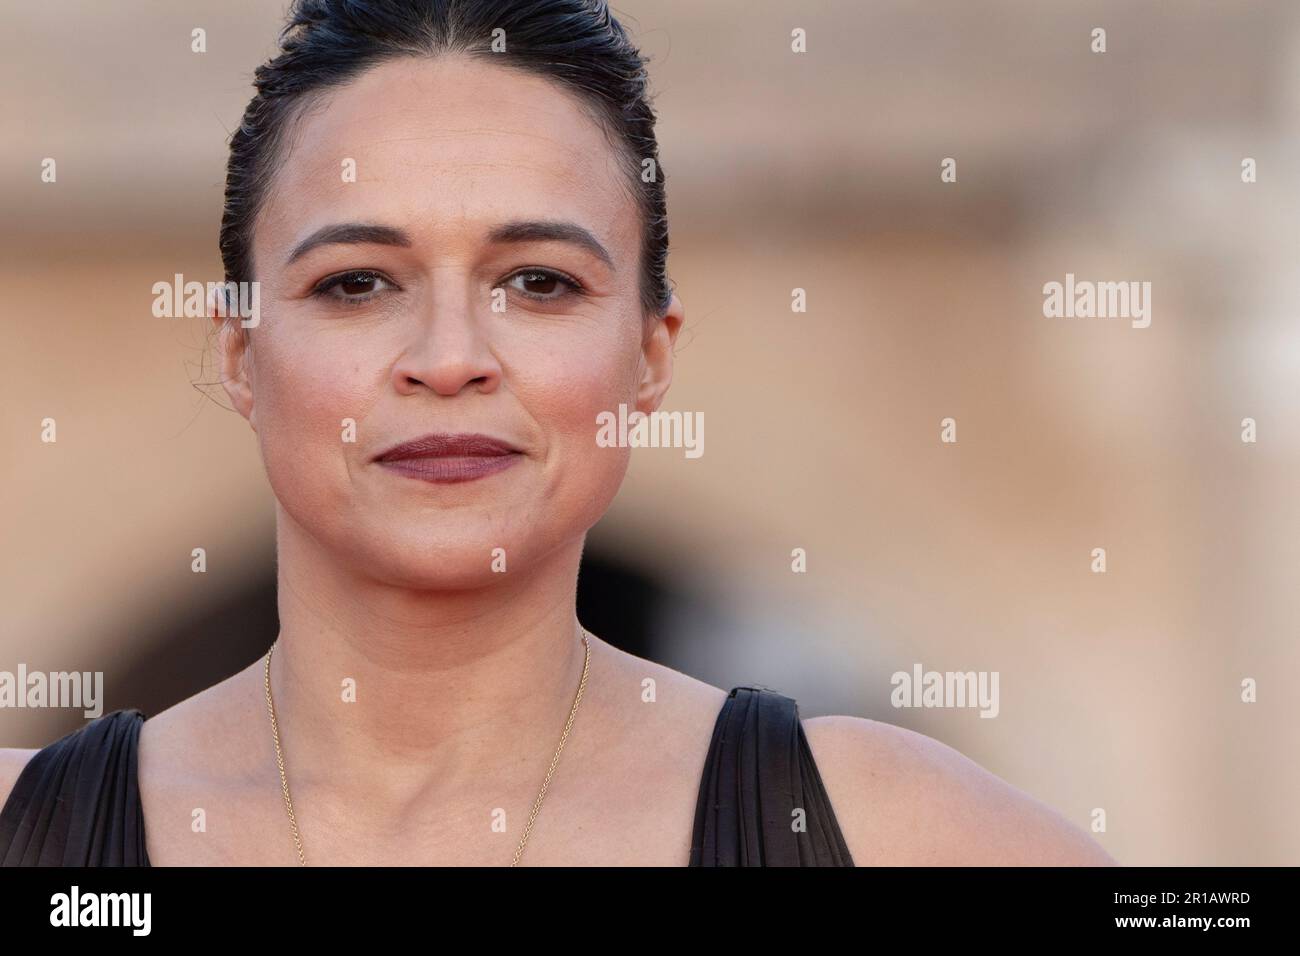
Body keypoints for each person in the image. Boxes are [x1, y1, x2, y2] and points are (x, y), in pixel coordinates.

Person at [0, 0, 1115, 866]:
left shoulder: (888, 831)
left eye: (538, 280)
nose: (448, 355)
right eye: (355, 282)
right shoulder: (30, 835)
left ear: (650, 355)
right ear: (242, 352)